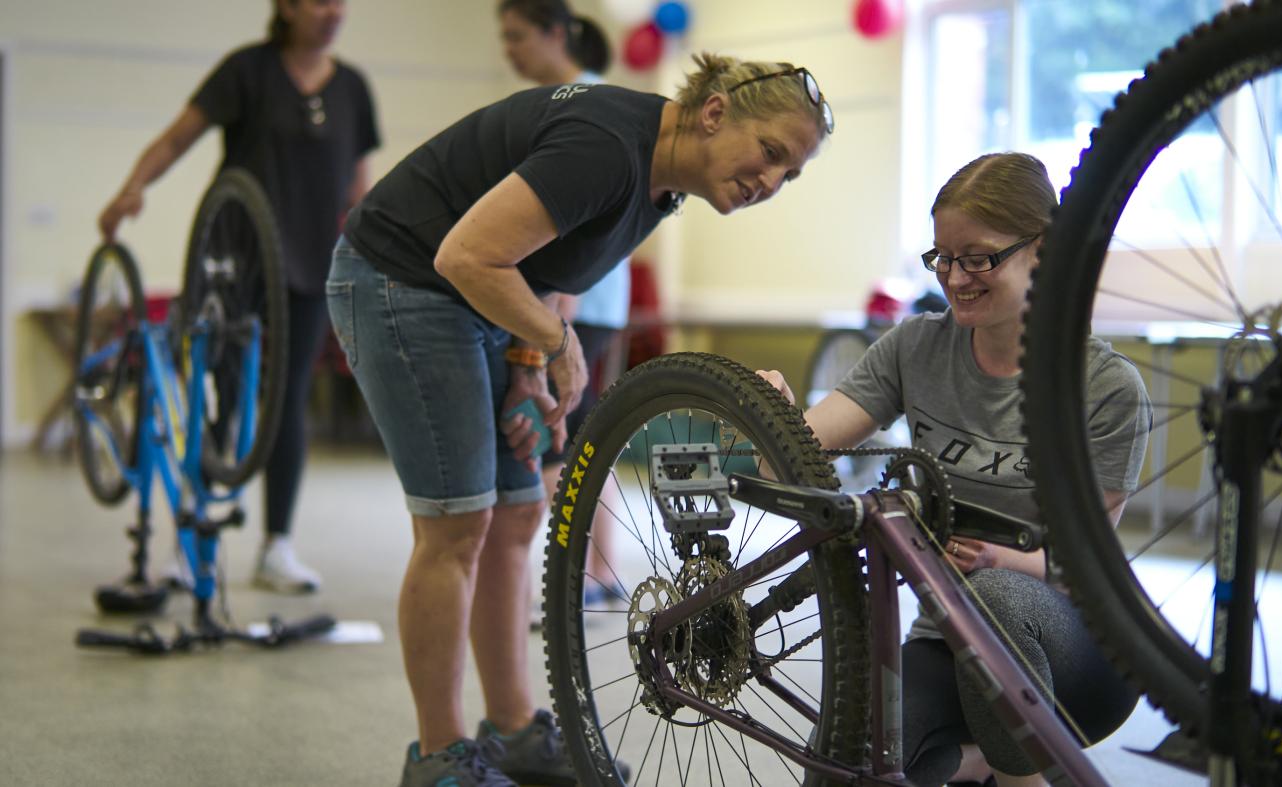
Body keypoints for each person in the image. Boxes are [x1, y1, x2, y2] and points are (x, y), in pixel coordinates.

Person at [326, 53, 835, 786]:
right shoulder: (608, 144)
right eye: (772, 152)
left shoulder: (659, 183)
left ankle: (512, 729)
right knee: (456, 523)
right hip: (402, 281)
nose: (771, 182)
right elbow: (466, 254)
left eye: (789, 174)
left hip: (469, 297)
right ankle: (437, 756)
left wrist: (527, 373)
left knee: (517, 513)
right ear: (716, 112)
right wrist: (554, 344)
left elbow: (553, 265)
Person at [757, 152, 1150, 786]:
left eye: (979, 257)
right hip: (951, 638)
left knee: (991, 599)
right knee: (844, 757)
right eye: (941, 257)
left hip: (1084, 652)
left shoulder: (1104, 386)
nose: (955, 277)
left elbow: (1090, 572)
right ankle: (973, 766)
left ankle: (1019, 776)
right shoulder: (916, 347)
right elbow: (800, 448)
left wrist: (999, 559)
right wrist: (767, 415)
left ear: (1043, 249)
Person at [97, 0, 379, 595]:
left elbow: (360, 186)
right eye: (320, 1)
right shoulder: (246, 72)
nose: (334, 12)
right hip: (233, 256)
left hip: (311, 263)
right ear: (288, 7)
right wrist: (131, 189)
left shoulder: (353, 87)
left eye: (341, 2)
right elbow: (178, 140)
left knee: (286, 397)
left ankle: (276, 546)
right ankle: (192, 542)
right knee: (224, 391)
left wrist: (375, 255)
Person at [497, 0, 629, 629]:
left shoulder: (584, 103)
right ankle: (599, 575)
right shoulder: (570, 99)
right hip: (584, 300)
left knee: (558, 441)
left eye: (517, 36)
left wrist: (557, 313)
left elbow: (581, 220)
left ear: (556, 34)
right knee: (580, 438)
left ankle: (572, 578)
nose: (509, 50)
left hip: (575, 300)